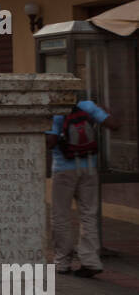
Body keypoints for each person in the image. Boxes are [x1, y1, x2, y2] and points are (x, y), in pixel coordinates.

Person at [46, 96, 119, 277]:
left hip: (64, 170)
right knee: (88, 215)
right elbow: (113, 125)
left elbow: (51, 142)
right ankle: (91, 261)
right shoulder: (87, 106)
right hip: (89, 169)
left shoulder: (55, 112)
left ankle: (62, 262)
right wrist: (103, 111)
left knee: (61, 216)